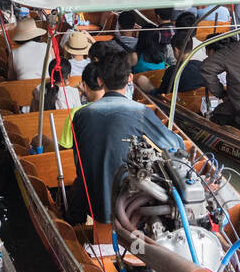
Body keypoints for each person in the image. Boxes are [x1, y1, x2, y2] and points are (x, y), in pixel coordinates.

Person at [66, 53, 183, 223]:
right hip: (128, 203)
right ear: (130, 78)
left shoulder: (81, 115)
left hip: (90, 199)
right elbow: (174, 145)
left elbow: (79, 160)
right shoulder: (140, 112)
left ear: (100, 81)